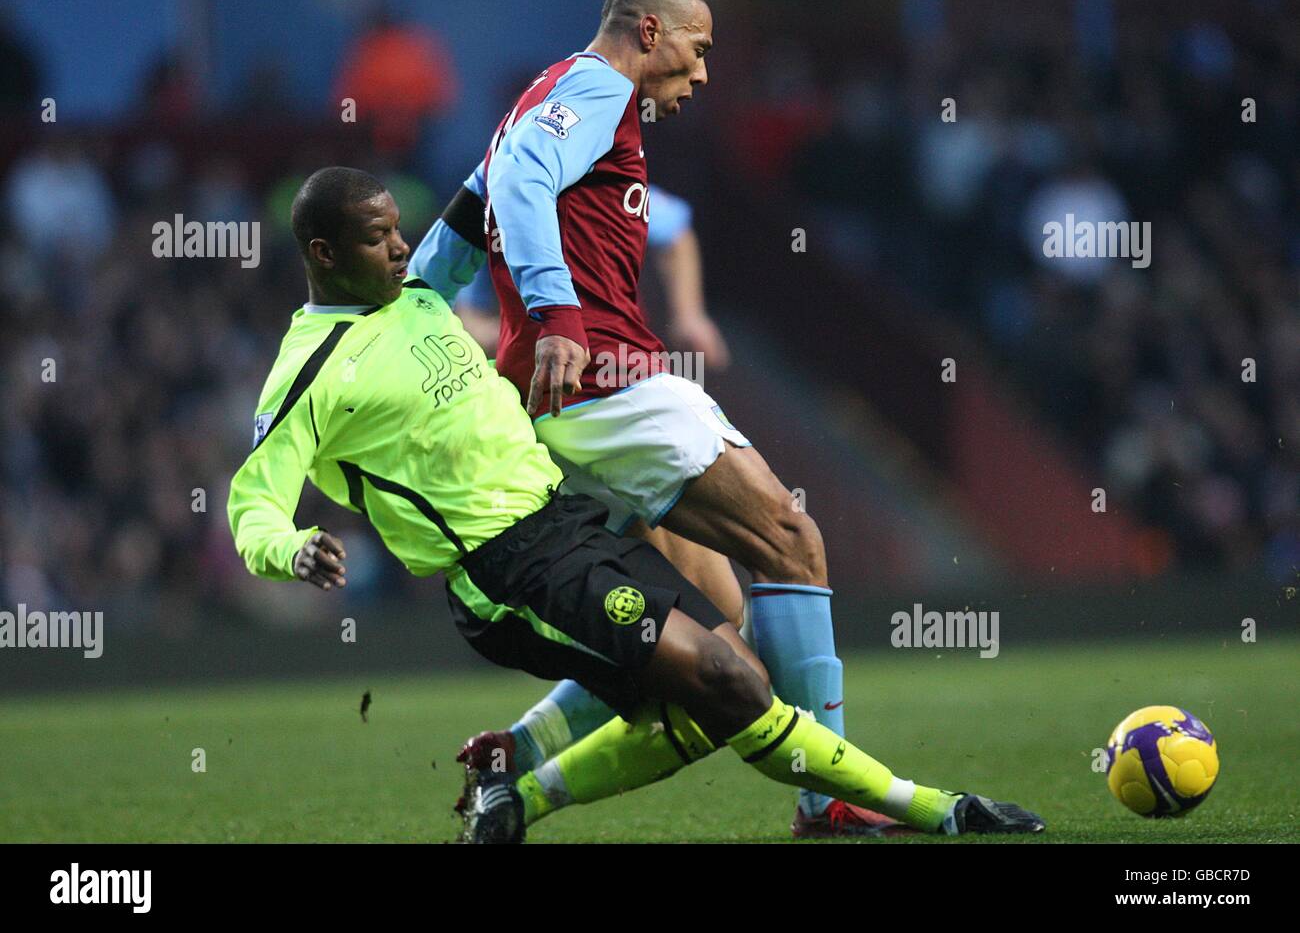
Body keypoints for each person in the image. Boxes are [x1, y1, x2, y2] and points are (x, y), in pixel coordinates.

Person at [227, 166, 1046, 843]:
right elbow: (252, 501)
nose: (401, 245)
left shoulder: (416, 293)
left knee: (719, 684)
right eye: (378, 237)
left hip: (568, 521)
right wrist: (292, 547)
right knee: (730, 682)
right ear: (324, 253)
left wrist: (542, 119)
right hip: (505, 572)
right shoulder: (311, 369)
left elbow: (473, 206)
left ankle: (515, 782)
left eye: (398, 228)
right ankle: (941, 810)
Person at [411, 0, 871, 836]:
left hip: (564, 400)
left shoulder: (542, 106)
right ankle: (830, 802)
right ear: (651, 31)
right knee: (791, 540)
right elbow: (512, 194)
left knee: (719, 652)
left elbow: (458, 229)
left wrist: (404, 316)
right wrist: (557, 315)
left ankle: (511, 761)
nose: (702, 77)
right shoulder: (592, 86)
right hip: (609, 383)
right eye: (699, 52)